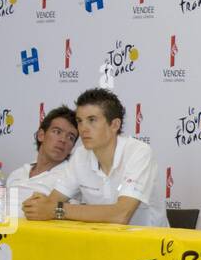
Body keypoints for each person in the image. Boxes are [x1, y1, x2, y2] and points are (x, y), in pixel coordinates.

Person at [21, 88, 167, 227]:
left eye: (92, 120)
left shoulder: (139, 152)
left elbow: (121, 215)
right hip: (103, 242)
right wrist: (38, 205)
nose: (83, 128)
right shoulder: (80, 155)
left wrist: (56, 210)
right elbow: (52, 202)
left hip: (149, 246)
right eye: (80, 121)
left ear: (115, 125)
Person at [6, 105, 79, 202]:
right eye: (57, 132)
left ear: (72, 147)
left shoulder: (71, 177)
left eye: (70, 137)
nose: (63, 140)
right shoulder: (17, 174)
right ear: (41, 135)